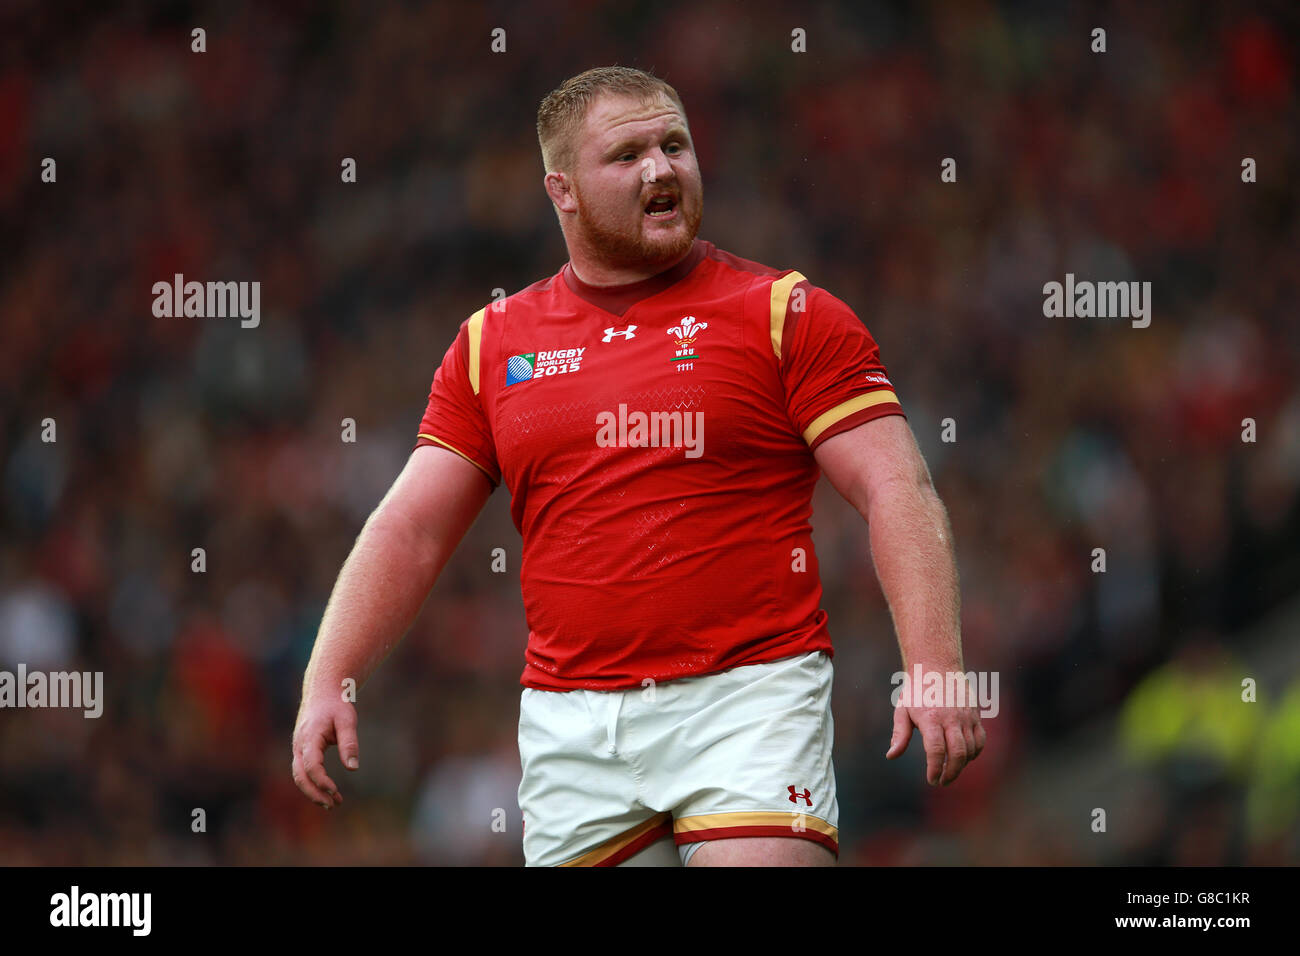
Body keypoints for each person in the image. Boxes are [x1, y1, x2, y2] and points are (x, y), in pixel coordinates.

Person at [292, 65, 984, 866]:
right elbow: (410, 529)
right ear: (563, 191)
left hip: (748, 700)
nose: (662, 169)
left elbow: (899, 488)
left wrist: (933, 667)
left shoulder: (785, 313)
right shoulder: (491, 344)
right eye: (627, 156)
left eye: (676, 145)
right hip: (572, 724)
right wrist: (329, 677)